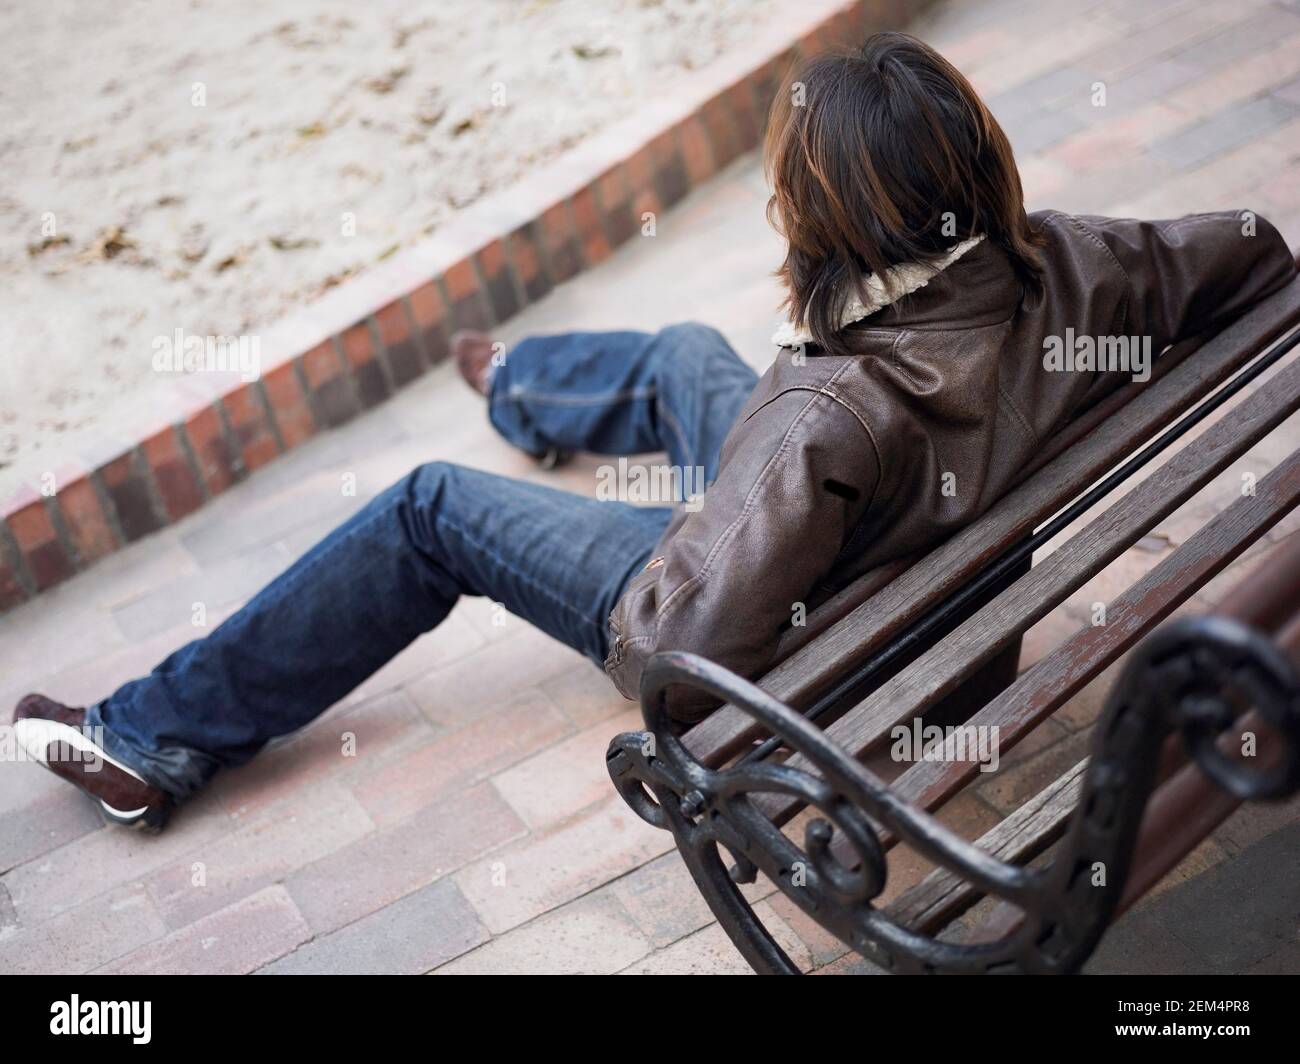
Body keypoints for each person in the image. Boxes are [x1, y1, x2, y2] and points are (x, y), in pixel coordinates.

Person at [13, 33, 1295, 832]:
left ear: (825, 216)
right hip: (895, 568)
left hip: (813, 655)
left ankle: (148, 735)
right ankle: (524, 380)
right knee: (689, 354)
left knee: (429, 508)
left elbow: (677, 646)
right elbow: (1250, 251)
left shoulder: (821, 411)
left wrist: (692, 529)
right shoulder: (1072, 266)